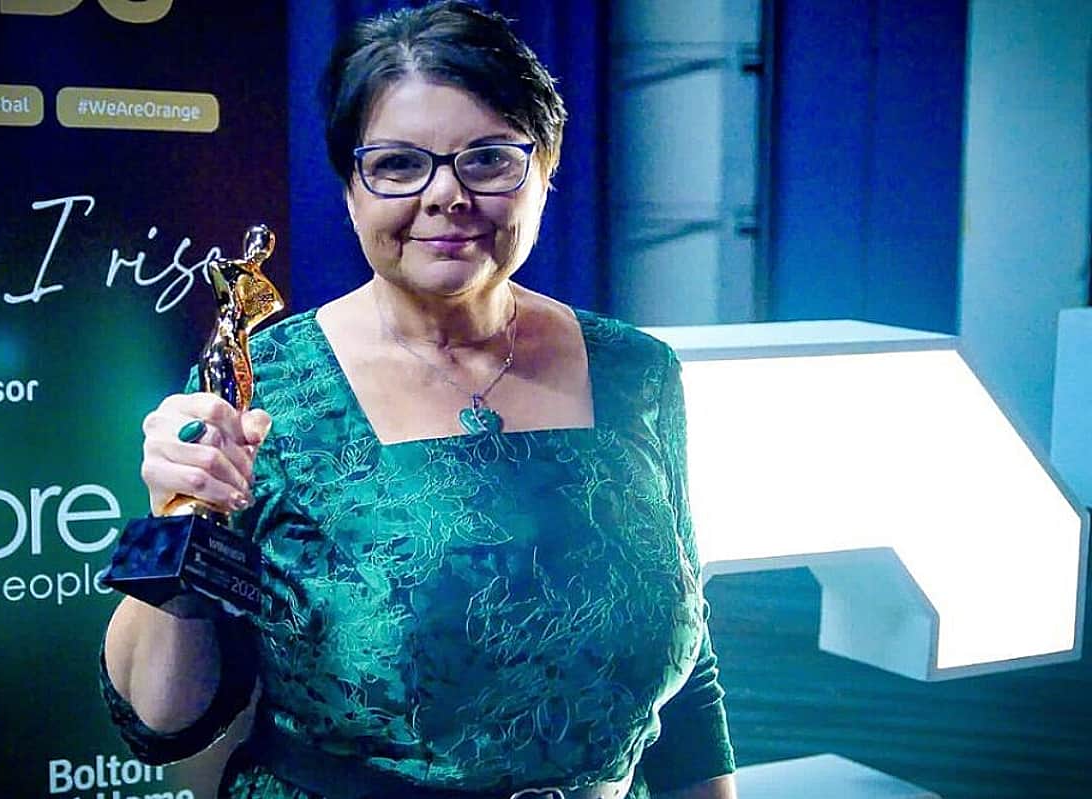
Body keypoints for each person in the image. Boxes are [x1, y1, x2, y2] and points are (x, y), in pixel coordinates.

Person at [101, 2, 737, 798]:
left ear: (545, 169)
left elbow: (688, 670)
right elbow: (161, 723)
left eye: (490, 159)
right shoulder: (265, 389)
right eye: (399, 164)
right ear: (350, 191)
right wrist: (175, 520)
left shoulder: (638, 370)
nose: (446, 195)